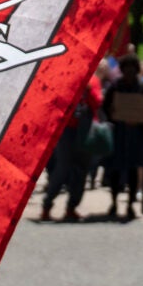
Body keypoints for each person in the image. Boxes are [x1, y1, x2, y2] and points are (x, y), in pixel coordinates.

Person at [38, 62, 102, 222]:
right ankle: (47, 205)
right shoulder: (65, 79)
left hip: (85, 131)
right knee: (63, 167)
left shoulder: (93, 81)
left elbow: (97, 102)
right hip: (66, 130)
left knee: (81, 170)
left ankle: (71, 207)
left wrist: (88, 90)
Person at [105, 53, 143, 221]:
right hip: (119, 132)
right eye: (126, 68)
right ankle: (114, 202)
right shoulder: (115, 86)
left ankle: (130, 204)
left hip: (136, 134)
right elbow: (106, 107)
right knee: (115, 170)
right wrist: (113, 114)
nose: (129, 72)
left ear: (137, 70)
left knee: (133, 170)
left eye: (132, 68)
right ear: (122, 70)